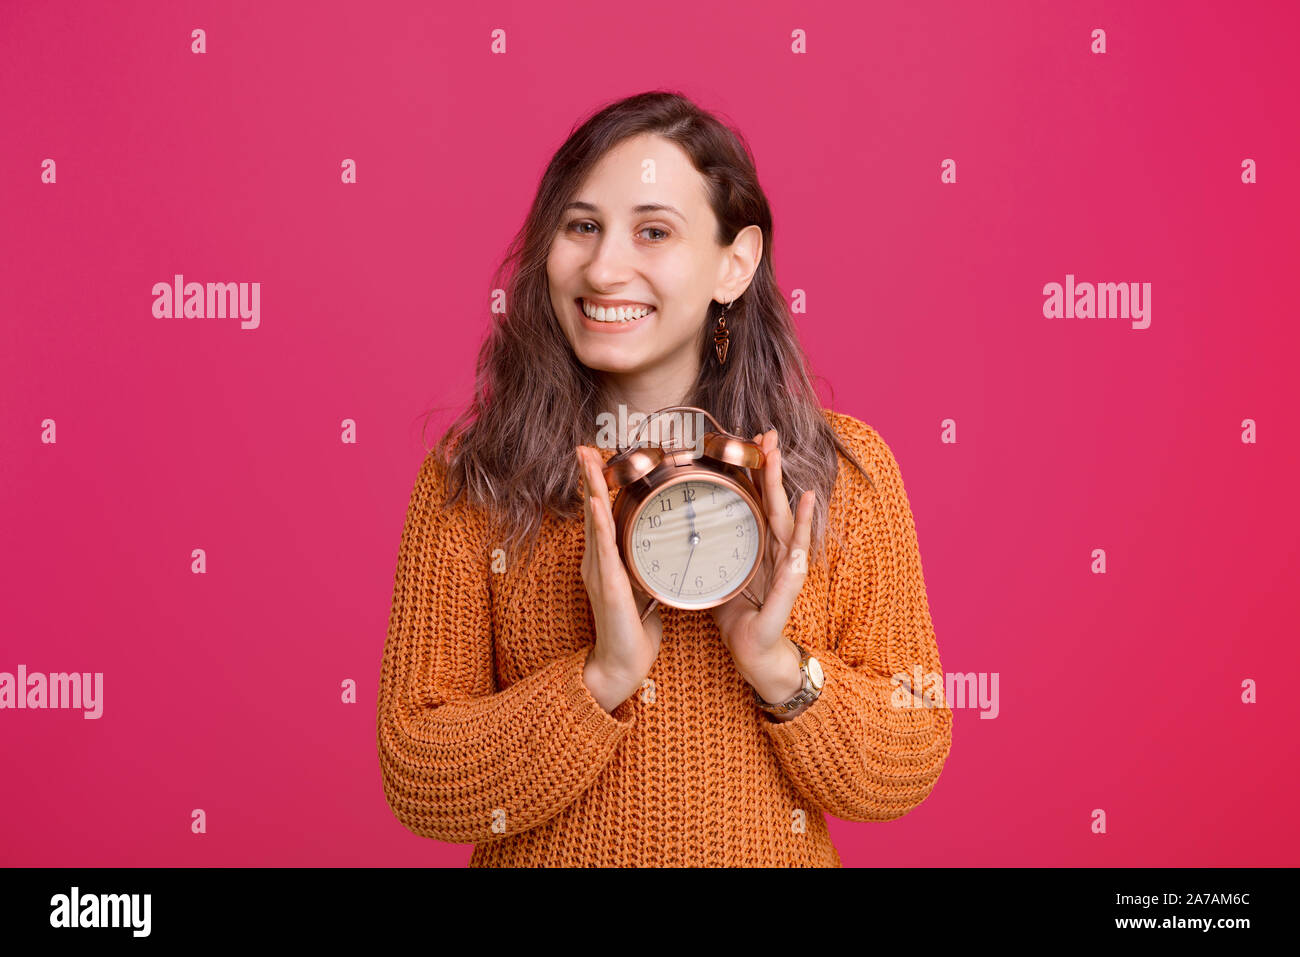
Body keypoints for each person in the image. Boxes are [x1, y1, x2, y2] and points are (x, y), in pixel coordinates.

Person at [376, 90, 952, 867]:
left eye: (654, 231)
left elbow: (906, 757)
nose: (605, 266)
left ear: (734, 263)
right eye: (582, 227)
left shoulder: (840, 471)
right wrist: (600, 676)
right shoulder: (478, 475)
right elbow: (417, 770)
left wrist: (775, 664)